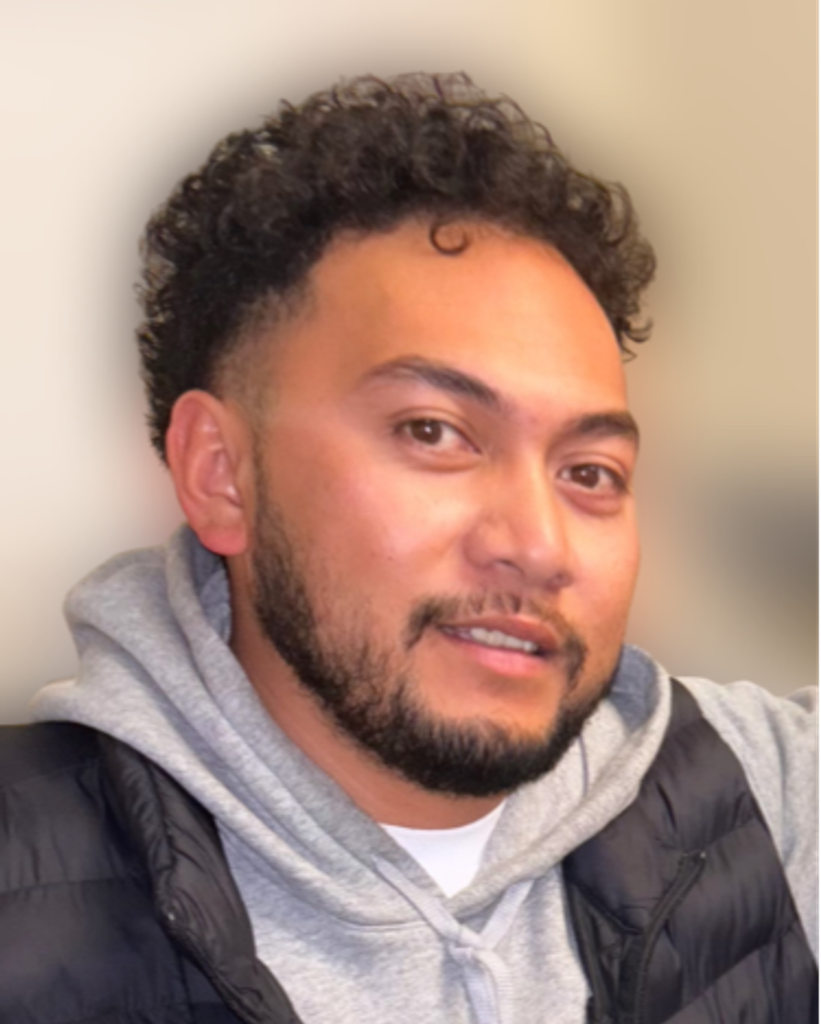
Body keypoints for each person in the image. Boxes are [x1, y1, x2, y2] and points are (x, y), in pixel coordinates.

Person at [0, 72, 817, 1024]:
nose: (537, 545)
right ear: (221, 474)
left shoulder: (764, 795)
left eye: (589, 473)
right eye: (433, 433)